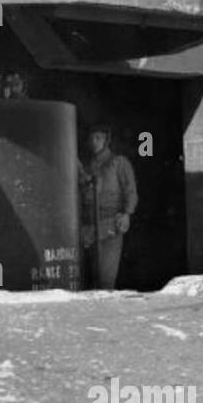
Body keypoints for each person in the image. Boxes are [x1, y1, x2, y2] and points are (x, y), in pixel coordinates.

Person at [78, 123, 137, 290]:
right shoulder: (87, 167)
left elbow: (130, 191)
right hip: (89, 227)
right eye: (92, 138)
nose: (94, 142)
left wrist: (127, 213)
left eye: (99, 138)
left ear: (106, 140)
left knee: (106, 278)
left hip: (111, 223)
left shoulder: (119, 162)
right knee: (90, 278)